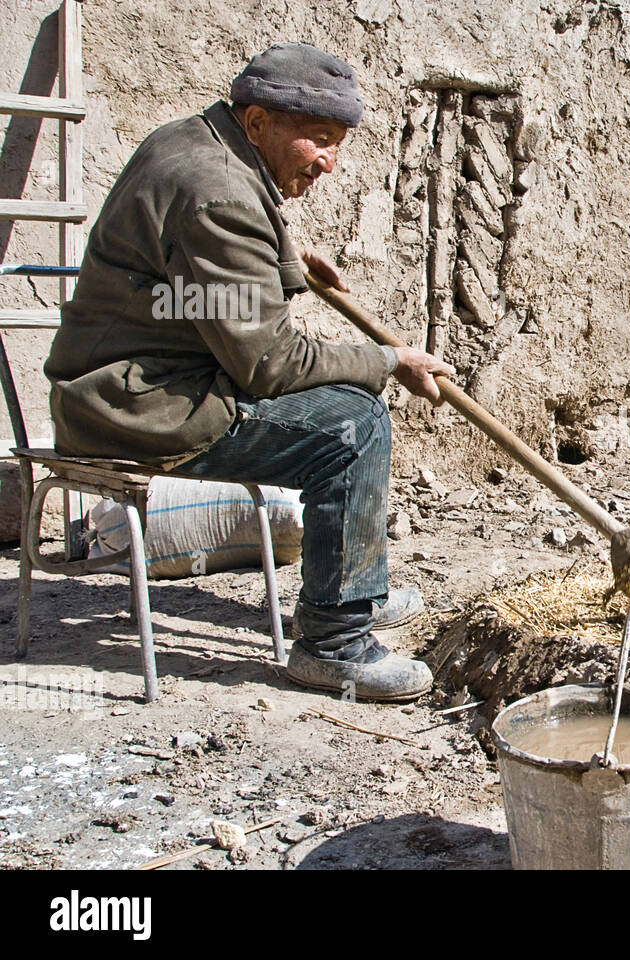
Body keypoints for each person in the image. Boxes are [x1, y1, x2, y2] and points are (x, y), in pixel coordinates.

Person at [44, 43, 454, 700]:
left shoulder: (193, 141)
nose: (328, 161)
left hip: (126, 375)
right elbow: (270, 364)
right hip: (135, 403)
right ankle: (333, 642)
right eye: (317, 139)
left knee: (345, 407)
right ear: (258, 122)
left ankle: (348, 590)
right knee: (352, 424)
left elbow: (200, 254)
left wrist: (282, 261)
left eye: (337, 143)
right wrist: (387, 361)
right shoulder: (221, 195)